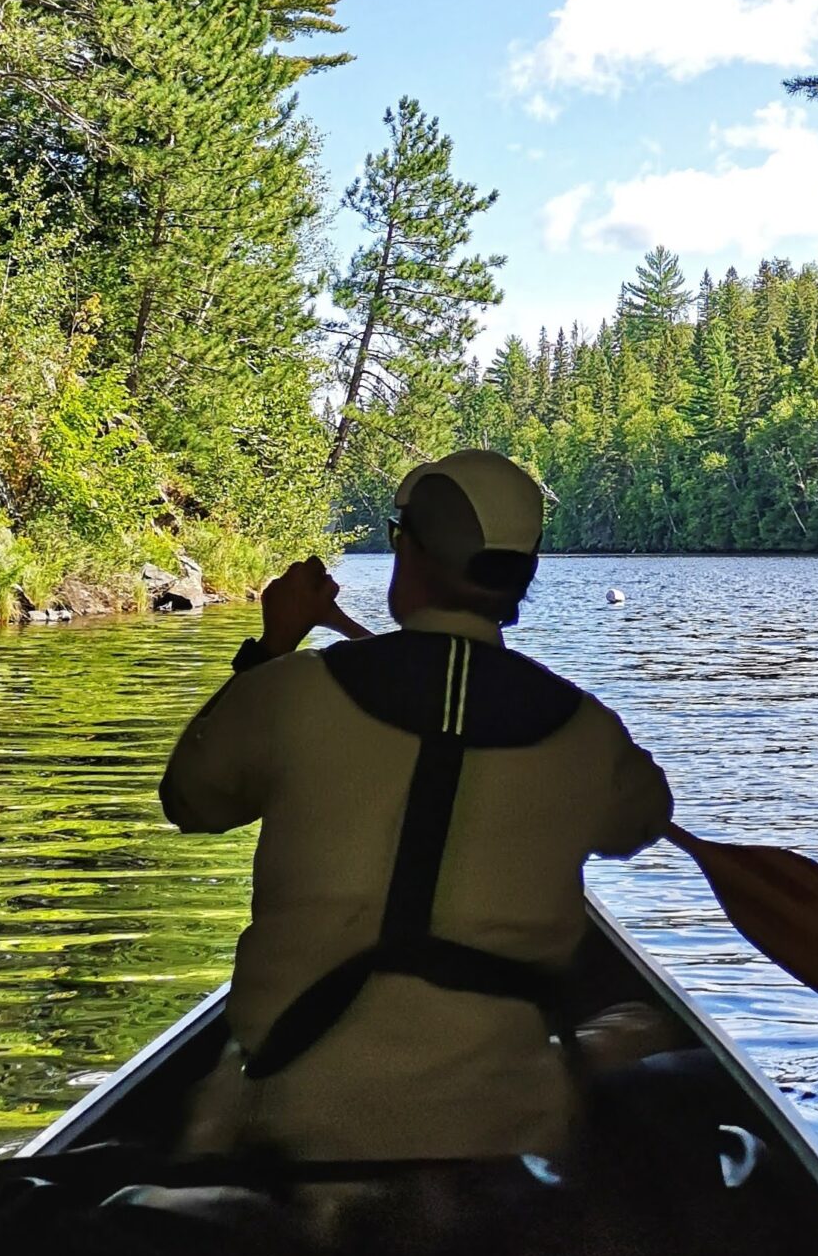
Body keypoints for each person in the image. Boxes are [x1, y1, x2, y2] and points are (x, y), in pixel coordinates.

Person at [160, 448, 673, 1165]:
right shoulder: (588, 730)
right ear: (519, 579)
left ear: (411, 553)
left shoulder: (293, 690)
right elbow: (642, 821)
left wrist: (272, 647)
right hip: (499, 1133)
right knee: (646, 1026)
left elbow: (189, 799)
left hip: (288, 1117)